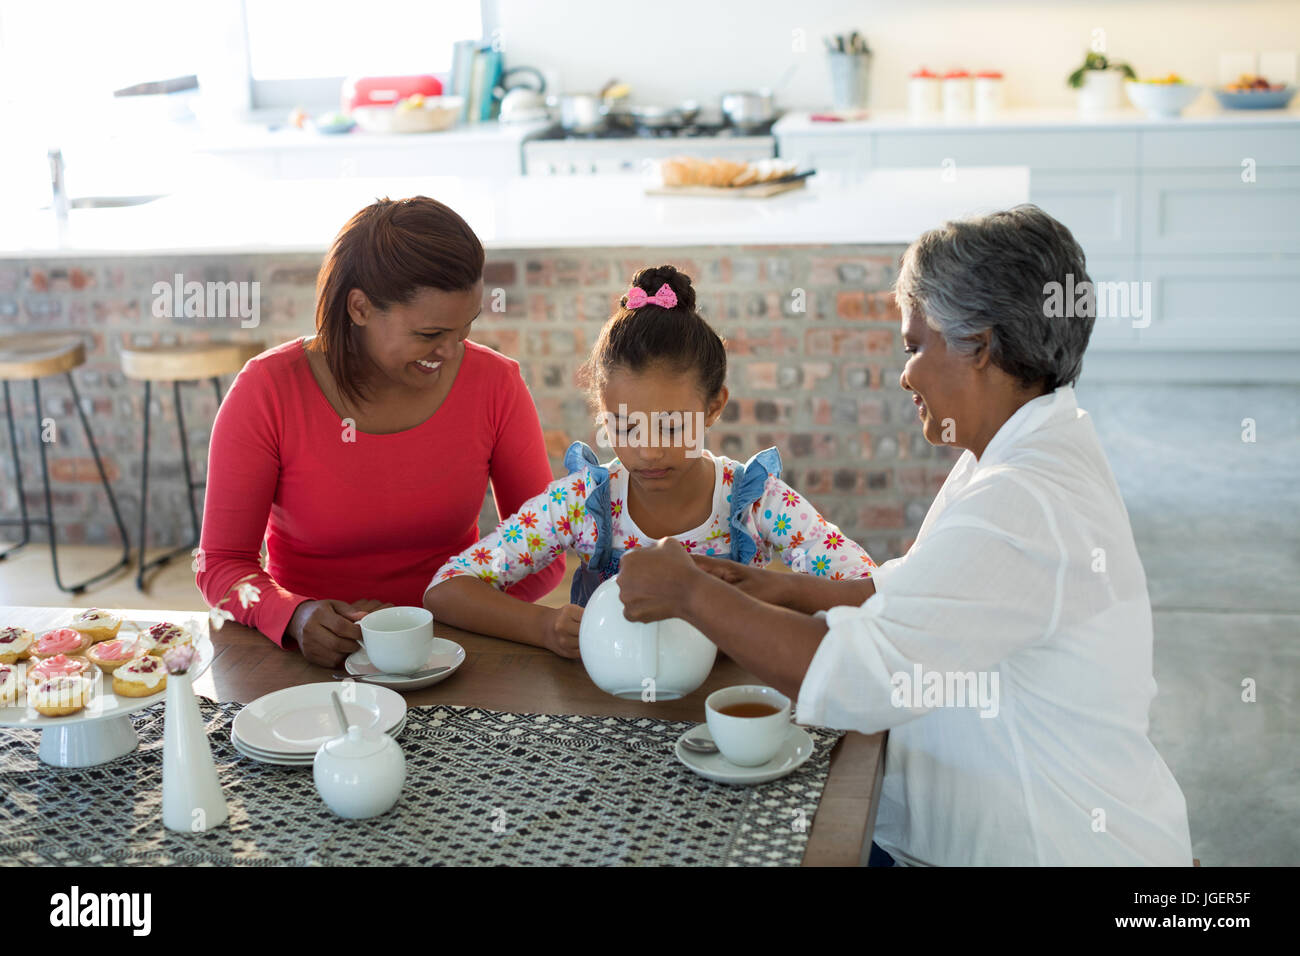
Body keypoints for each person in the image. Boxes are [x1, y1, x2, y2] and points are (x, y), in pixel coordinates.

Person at [615, 206, 1194, 866]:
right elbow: (925, 596)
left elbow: (864, 682)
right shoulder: (1017, 455)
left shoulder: (1019, 502)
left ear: (979, 344)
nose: (906, 374)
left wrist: (693, 594)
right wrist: (785, 588)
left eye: (917, 346)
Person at [424, 265, 876, 658]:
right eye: (624, 426)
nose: (648, 451)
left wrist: (778, 594)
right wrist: (542, 627)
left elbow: (872, 591)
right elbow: (447, 589)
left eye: (673, 427)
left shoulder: (755, 502)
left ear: (714, 407)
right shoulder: (583, 501)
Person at [196, 196, 562, 667]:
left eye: (465, 328)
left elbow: (546, 549)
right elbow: (220, 565)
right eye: (430, 335)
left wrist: (434, 619)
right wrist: (295, 616)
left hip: (452, 652)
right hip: (308, 659)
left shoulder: (495, 384)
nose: (452, 351)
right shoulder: (267, 391)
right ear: (361, 308)